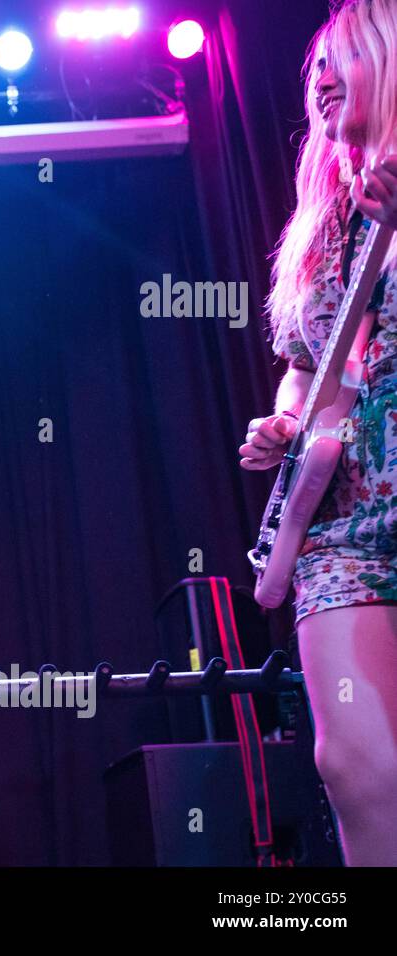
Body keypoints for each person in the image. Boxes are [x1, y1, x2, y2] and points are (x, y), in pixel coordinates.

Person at [239, 0, 397, 865]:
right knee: (353, 762)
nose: (321, 80)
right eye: (312, 71)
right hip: (339, 515)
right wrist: (285, 421)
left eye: (342, 59)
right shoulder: (322, 218)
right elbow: (306, 357)